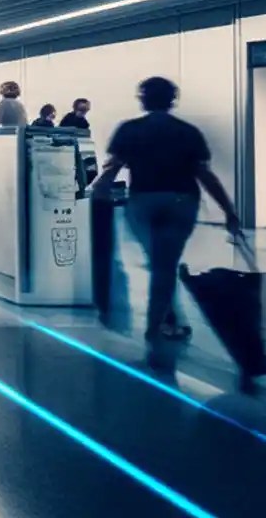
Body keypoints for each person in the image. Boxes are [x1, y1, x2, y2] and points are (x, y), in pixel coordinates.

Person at [93, 77, 241, 360]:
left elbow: (112, 170)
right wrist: (229, 210)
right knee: (166, 262)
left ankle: (161, 321)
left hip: (142, 201)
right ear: (172, 99)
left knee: (158, 261)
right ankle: (161, 321)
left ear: (143, 99)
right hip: (181, 200)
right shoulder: (188, 132)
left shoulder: (129, 130)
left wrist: (97, 193)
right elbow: (204, 174)